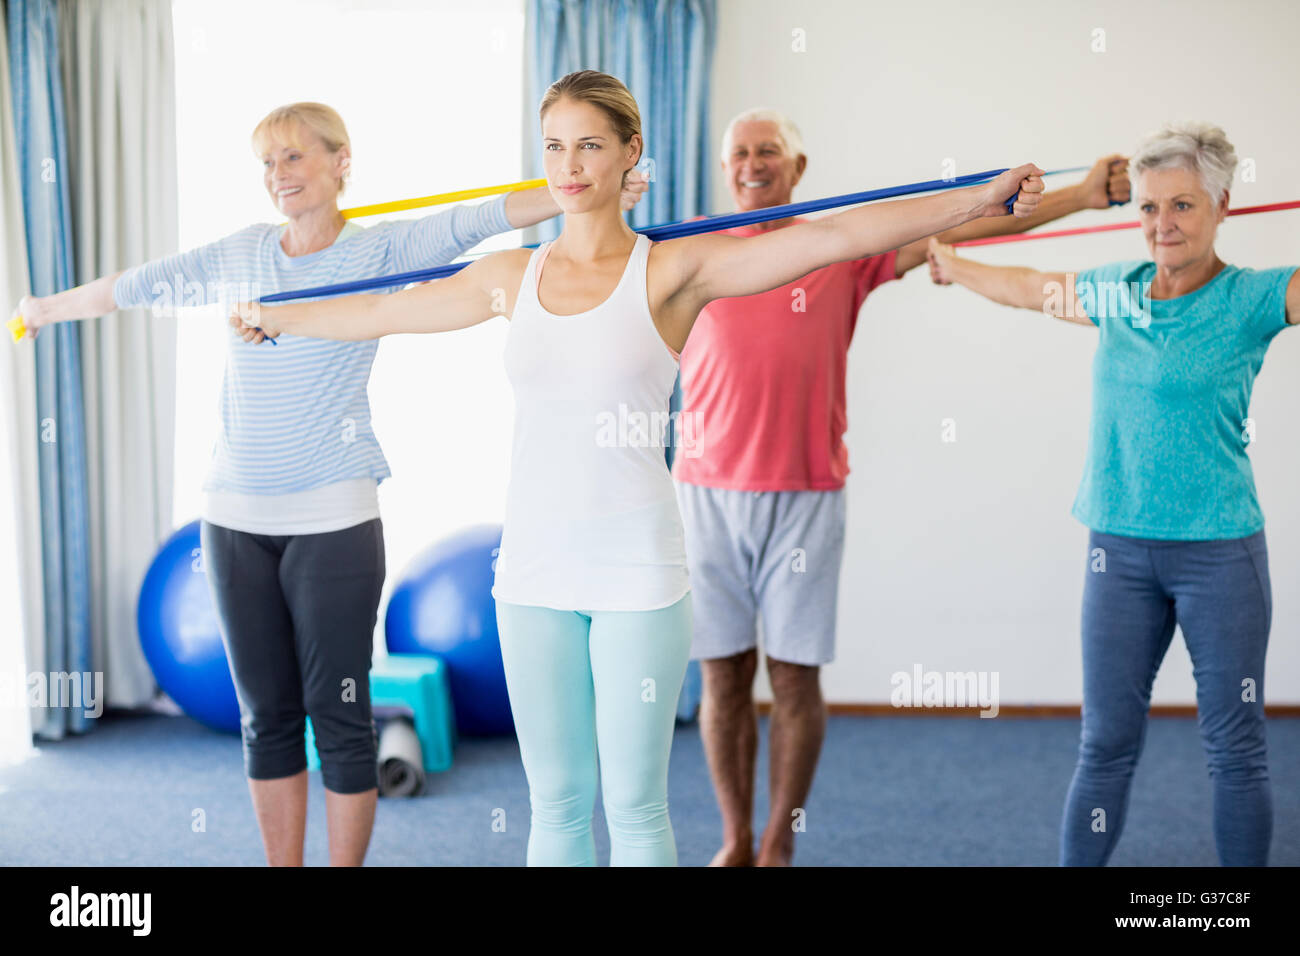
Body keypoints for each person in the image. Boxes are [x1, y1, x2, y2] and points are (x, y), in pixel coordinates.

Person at [229, 69, 1044, 867]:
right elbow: (382, 309)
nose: (569, 166)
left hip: (637, 576)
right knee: (554, 809)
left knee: (635, 809)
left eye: (589, 145)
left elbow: (833, 236)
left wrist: (972, 199)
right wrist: (277, 315)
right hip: (533, 577)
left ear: (630, 154)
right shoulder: (513, 277)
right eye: (553, 147)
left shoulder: (672, 270)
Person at [10, 101, 644, 866]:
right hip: (233, 514)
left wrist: (586, 191)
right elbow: (140, 285)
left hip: (333, 517)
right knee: (264, 717)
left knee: (339, 714)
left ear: (342, 163)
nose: (279, 177)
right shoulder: (243, 252)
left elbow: (475, 219)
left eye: (295, 158)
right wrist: (47, 308)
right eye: (268, 164)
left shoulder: (379, 250)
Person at [676, 106, 1131, 866]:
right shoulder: (694, 244)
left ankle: (777, 845)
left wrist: (1081, 195)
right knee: (722, 679)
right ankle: (731, 841)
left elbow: (970, 226)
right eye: (739, 154)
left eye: (769, 152)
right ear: (725, 169)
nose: (753, 165)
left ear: (799, 166)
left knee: (792, 679)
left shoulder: (836, 246)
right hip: (705, 494)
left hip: (806, 493)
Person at [926, 121, 1299, 866]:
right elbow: (1031, 290)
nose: (1163, 224)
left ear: (1223, 206)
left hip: (1220, 553)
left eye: (1184, 206)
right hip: (1118, 554)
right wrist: (952, 263)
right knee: (1104, 744)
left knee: (1235, 745)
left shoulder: (1255, 298)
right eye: (1151, 207)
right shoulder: (1116, 293)